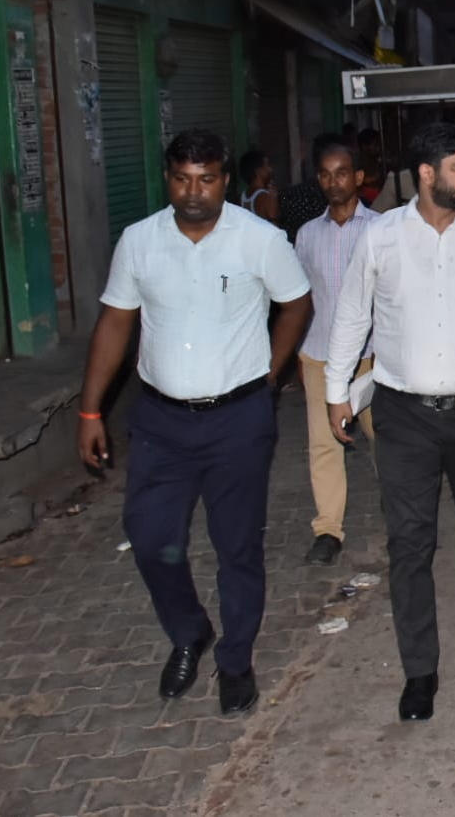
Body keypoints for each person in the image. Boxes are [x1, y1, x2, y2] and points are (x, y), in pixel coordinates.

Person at [76, 130, 312, 715]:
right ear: (168, 178)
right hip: (160, 420)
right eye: (182, 179)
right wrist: (89, 410)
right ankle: (188, 633)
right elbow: (114, 323)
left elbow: (297, 304)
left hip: (238, 418)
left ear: (224, 180)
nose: (193, 192)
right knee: (153, 539)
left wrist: (271, 376)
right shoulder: (140, 241)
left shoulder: (259, 239)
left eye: (206, 179)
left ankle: (236, 661)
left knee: (236, 547)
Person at [324, 122, 455, 723]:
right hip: (403, 413)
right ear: (427, 174)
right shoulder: (380, 237)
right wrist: (338, 391)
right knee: (409, 542)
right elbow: (350, 316)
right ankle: (420, 670)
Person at [294, 139, 378, 567]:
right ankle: (328, 529)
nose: (333, 181)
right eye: (325, 174)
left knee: (388, 441)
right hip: (321, 359)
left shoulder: (382, 230)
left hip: (372, 359)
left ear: (359, 178)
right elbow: (301, 298)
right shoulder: (307, 235)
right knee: (324, 445)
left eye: (342, 172)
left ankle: (403, 517)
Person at [238, 149, 279, 223]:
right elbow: (274, 226)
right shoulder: (265, 197)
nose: (270, 170)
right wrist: (274, 199)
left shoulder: (243, 196)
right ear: (259, 171)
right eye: (267, 166)